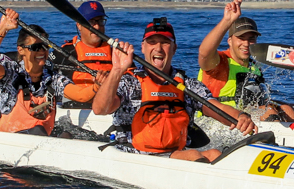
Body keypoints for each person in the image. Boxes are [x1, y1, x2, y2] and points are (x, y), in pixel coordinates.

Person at [92, 16, 256, 162]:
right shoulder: (129, 82)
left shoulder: (187, 85)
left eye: (164, 42)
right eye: (152, 42)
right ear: (143, 47)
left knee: (213, 153)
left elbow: (216, 108)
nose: (158, 48)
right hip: (133, 157)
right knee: (193, 156)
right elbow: (100, 109)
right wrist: (116, 70)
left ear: (174, 48)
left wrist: (240, 116)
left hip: (174, 156)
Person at [0, 8, 90, 136]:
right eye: (36, 47)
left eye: (45, 46)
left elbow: (81, 95)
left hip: (39, 141)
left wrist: (98, 85)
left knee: (66, 135)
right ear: (21, 50)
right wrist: (2, 30)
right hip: (7, 140)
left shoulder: (53, 78)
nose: (42, 51)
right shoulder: (11, 72)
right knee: (38, 130)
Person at [197, 0, 294, 121]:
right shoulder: (219, 61)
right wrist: (227, 21)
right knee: (269, 111)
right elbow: (204, 53)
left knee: (289, 108)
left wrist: (282, 108)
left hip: (246, 117)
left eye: (251, 39)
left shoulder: (254, 67)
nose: (246, 44)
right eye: (241, 38)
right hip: (216, 121)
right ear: (230, 41)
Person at [53, 1, 115, 106]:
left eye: (100, 21)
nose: (97, 27)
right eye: (91, 22)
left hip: (109, 105)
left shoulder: (115, 52)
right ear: (79, 25)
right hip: (75, 105)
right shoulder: (66, 52)